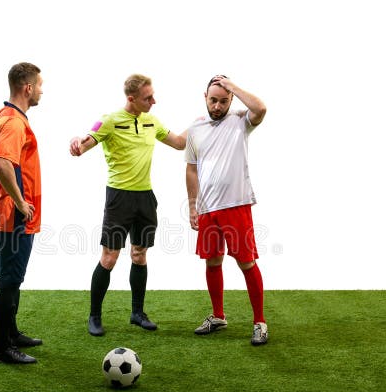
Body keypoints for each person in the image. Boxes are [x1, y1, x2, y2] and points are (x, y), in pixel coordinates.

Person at [70, 74, 186, 336]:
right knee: (109, 258)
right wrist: (77, 143)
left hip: (145, 198)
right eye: (148, 98)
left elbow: (179, 143)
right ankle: (95, 316)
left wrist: (201, 125)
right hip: (119, 198)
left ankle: (137, 313)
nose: (154, 101)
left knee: (139, 255)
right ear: (131, 99)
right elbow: (85, 144)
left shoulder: (151, 121)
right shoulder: (110, 120)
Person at [185, 75, 270, 345]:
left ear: (230, 99)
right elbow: (191, 168)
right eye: (213, 100)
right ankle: (218, 316)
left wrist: (232, 86)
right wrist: (192, 205)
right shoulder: (196, 129)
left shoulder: (240, 121)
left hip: (236, 204)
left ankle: (260, 322)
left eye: (223, 100)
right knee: (212, 260)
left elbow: (261, 109)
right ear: (205, 98)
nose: (218, 106)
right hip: (208, 207)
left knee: (246, 262)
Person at [0, 62, 45, 364]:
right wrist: (21, 203)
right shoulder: (13, 122)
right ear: (28, 88)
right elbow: (1, 163)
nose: (42, 90)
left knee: (14, 278)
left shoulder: (10, 117)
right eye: (40, 85)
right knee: (9, 280)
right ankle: (2, 348)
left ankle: (11, 334)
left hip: (15, 215)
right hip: (13, 216)